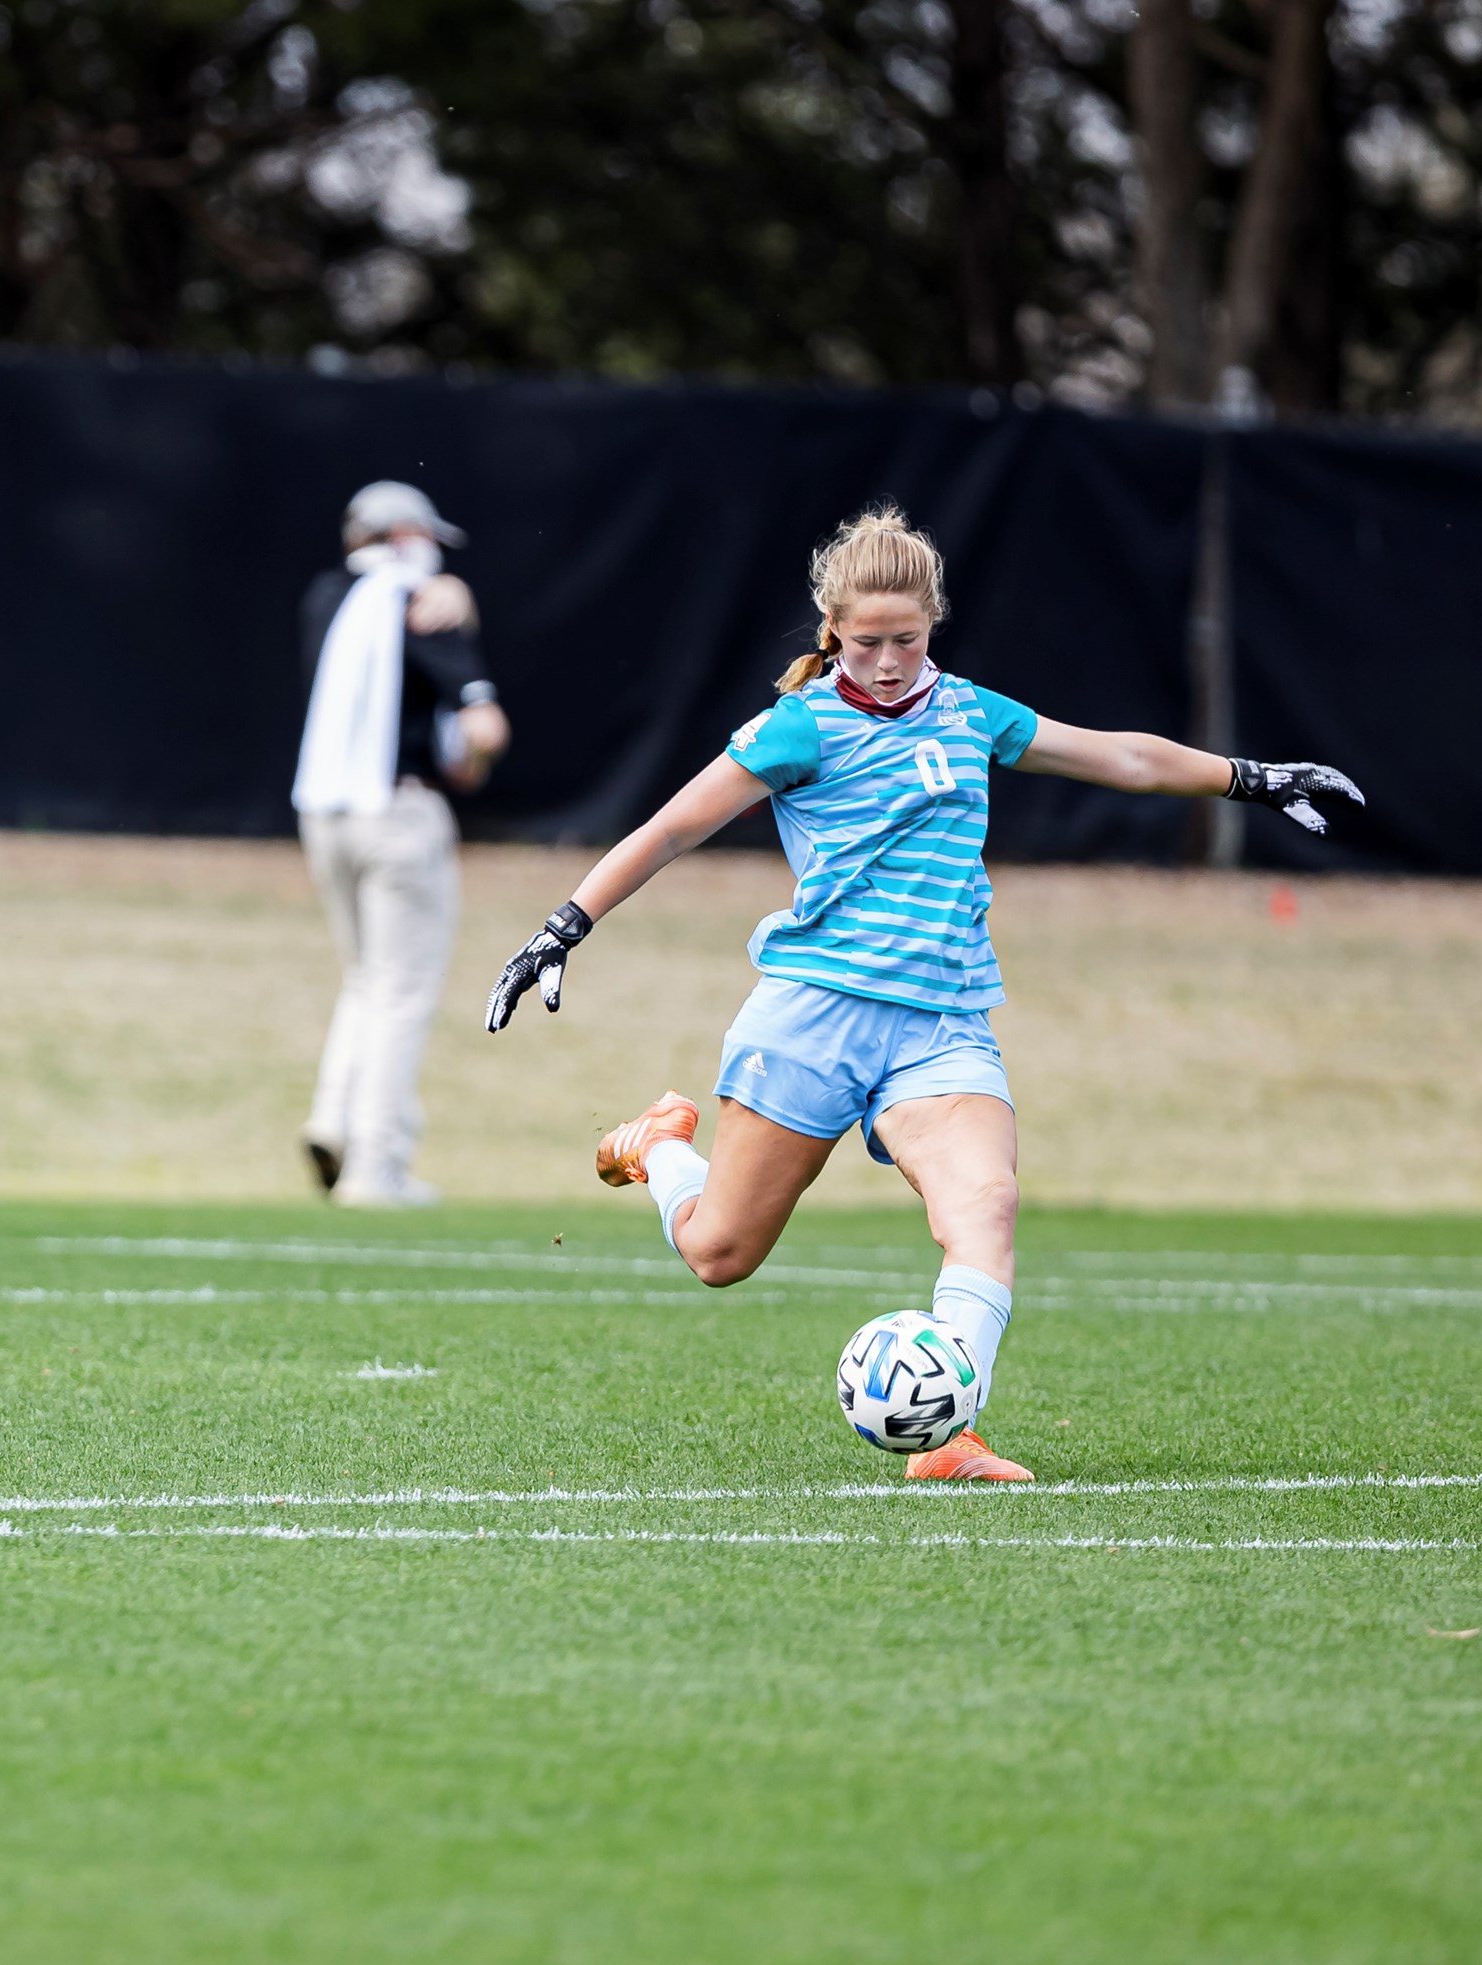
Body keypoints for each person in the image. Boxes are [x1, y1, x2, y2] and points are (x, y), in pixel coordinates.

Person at [481, 505, 1359, 1479]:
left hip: (941, 1024)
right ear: (832, 632)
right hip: (813, 1016)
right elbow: (670, 829)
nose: (889, 660)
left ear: (933, 622)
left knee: (985, 1204)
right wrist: (564, 926)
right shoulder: (798, 726)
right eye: (866, 643)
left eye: (906, 639)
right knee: (720, 1252)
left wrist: (1252, 776)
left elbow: (1126, 757)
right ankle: (658, 1146)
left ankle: (950, 1436)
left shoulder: (975, 712)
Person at [294, 480, 511, 1206]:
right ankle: (373, 1167)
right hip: (399, 811)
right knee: (402, 991)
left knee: (364, 976)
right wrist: (475, 756)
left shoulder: (326, 600)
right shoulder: (428, 600)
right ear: (406, 535)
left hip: (324, 815)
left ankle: (334, 1121)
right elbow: (483, 730)